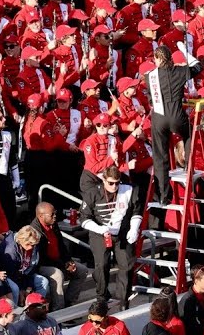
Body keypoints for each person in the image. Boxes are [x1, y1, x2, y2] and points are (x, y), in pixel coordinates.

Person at [80, 166, 141, 306]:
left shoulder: (128, 190)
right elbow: (83, 219)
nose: (114, 186)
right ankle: (101, 296)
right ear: (104, 180)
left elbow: (136, 211)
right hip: (99, 233)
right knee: (102, 265)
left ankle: (123, 298)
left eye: (117, 183)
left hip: (122, 232)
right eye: (111, 183)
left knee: (126, 264)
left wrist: (134, 229)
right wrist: (100, 229)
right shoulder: (92, 193)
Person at [147, 45, 195, 204]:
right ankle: (188, 165)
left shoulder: (150, 76)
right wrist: (186, 52)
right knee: (189, 133)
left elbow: (149, 99)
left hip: (158, 118)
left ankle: (163, 196)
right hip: (176, 115)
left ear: (158, 59)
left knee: (160, 156)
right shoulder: (180, 72)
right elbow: (199, 66)